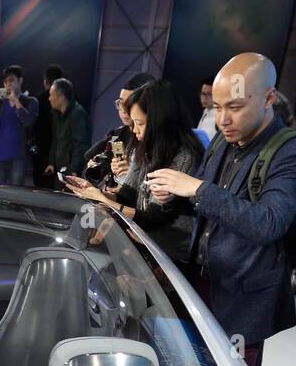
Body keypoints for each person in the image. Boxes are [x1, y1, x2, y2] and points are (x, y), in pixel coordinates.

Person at [148, 53, 296, 366]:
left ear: (269, 98)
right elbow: (204, 204)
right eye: (217, 107)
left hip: (242, 304)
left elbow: (268, 223)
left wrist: (195, 188)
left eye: (234, 107)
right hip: (201, 286)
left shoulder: (292, 152)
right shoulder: (224, 141)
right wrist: (173, 195)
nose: (222, 119)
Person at [65, 80, 203, 264]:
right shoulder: (146, 149)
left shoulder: (185, 158)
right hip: (142, 248)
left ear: (160, 121)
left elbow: (152, 218)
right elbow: (126, 195)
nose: (134, 130)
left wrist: (104, 200)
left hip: (169, 261)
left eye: (139, 123)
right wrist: (97, 193)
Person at [80, 73, 155, 186]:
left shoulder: (156, 141)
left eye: (129, 103)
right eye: (121, 102)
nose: (123, 109)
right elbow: (117, 169)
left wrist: (135, 172)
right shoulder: (117, 136)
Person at [43, 78, 89, 182]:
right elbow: (56, 139)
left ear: (61, 97)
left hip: (71, 171)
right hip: (60, 169)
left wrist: (74, 169)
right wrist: (51, 162)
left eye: (52, 95)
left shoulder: (77, 114)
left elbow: (80, 144)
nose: (49, 98)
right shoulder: (57, 114)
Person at [33, 63, 63, 187]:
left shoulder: (39, 99)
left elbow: (34, 125)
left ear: (45, 81)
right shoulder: (71, 99)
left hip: (42, 148)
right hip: (61, 150)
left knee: (40, 183)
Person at [195, 75, 216, 141]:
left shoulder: (219, 114)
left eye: (209, 94)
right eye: (203, 94)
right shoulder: (206, 111)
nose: (204, 98)